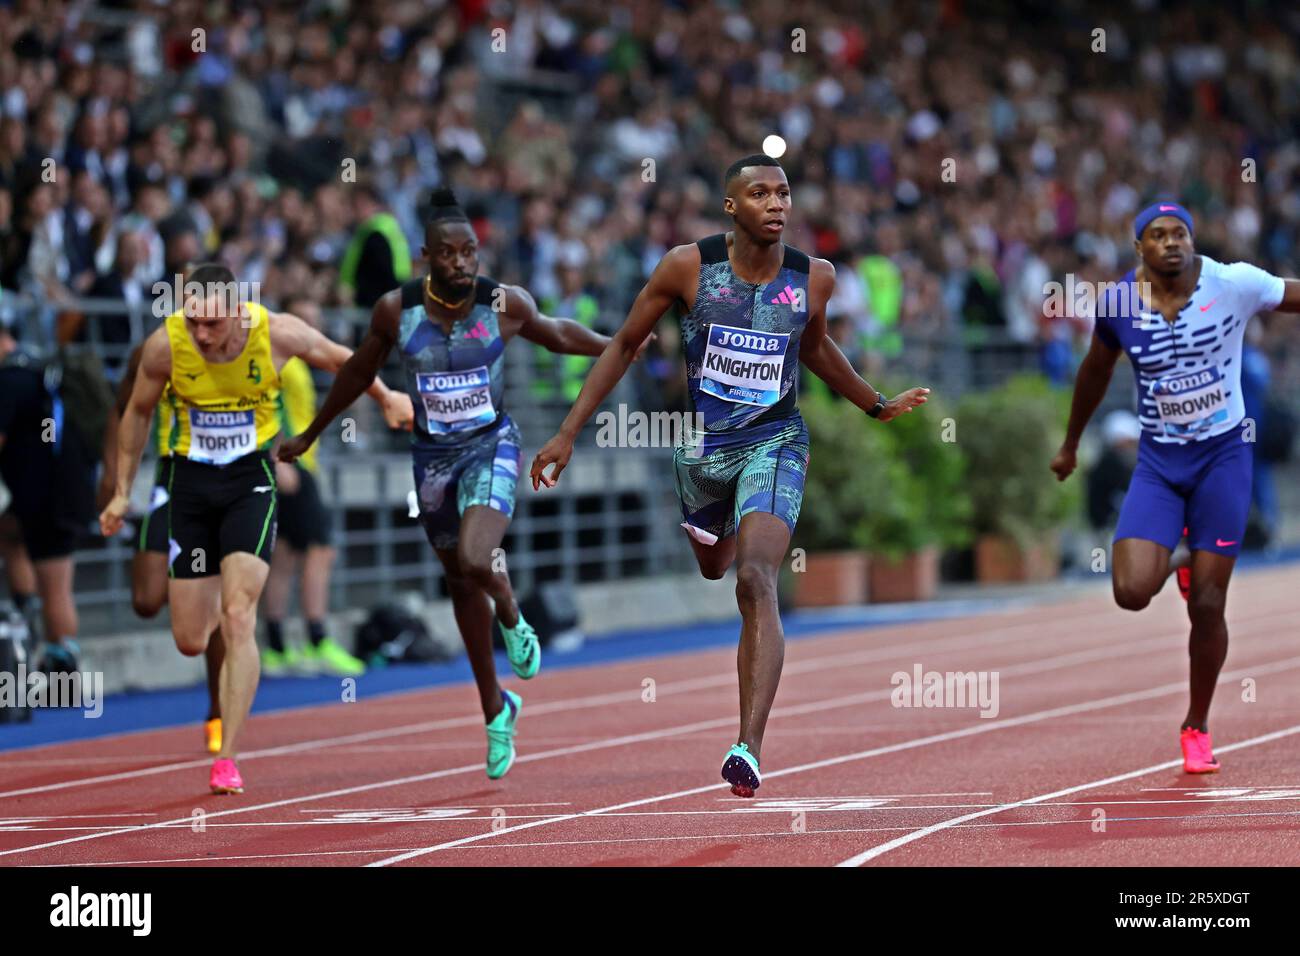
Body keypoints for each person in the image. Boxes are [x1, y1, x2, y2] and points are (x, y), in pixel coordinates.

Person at [529, 155, 929, 797]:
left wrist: (874, 403)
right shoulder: (687, 267)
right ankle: (722, 534)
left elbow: (815, 345)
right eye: (760, 193)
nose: (776, 203)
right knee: (715, 567)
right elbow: (625, 344)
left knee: (754, 579)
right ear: (731, 207)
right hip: (701, 451)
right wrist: (568, 431)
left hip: (776, 441)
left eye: (784, 193)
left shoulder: (813, 277)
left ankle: (749, 745)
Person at [278, 188, 630, 780]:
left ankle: (514, 616)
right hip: (431, 460)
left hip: (491, 446)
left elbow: (558, 333)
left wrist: (620, 345)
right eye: (450, 254)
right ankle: (496, 709)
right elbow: (359, 371)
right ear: (427, 258)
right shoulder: (396, 311)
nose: (463, 263)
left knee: (476, 555)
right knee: (461, 586)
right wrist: (311, 433)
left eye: (471, 252)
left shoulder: (503, 303)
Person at [99, 263, 413, 794]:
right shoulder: (166, 344)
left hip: (250, 481)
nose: (201, 333)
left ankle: (228, 757)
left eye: (213, 324)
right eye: (193, 320)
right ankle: (219, 609)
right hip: (190, 487)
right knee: (190, 640)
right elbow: (137, 413)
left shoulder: (276, 332)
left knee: (240, 614)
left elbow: (344, 360)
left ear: (237, 310)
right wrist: (124, 490)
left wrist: (386, 397)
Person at [1051, 201, 1300, 773]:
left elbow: (1293, 294)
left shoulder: (1234, 283)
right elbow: (1094, 372)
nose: (1171, 243)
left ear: (1192, 239)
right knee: (1131, 591)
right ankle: (1186, 554)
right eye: (1157, 235)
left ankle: (1197, 725)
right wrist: (1070, 444)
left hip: (1223, 457)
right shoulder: (1117, 303)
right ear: (1140, 248)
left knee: (1209, 604)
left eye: (1180, 233)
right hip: (1160, 462)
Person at [98, 342, 225, 754]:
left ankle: (218, 710)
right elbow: (123, 410)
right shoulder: (155, 350)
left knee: (218, 612)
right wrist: (115, 477)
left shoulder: (245, 347)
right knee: (146, 600)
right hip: (173, 481)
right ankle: (200, 593)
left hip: (229, 485)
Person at [261, 297, 366, 678]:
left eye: (315, 320)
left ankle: (275, 646)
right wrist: (276, 456)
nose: (311, 327)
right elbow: (262, 402)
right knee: (321, 550)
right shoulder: (280, 356)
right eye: (303, 319)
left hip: (298, 463)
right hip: (291, 465)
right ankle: (317, 639)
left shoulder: (299, 360)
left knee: (286, 553)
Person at [0, 312, 95, 676]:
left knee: (55, 586)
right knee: (10, 536)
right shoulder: (37, 370)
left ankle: (63, 671)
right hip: (53, 492)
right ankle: (25, 616)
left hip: (50, 498)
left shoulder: (10, 380)